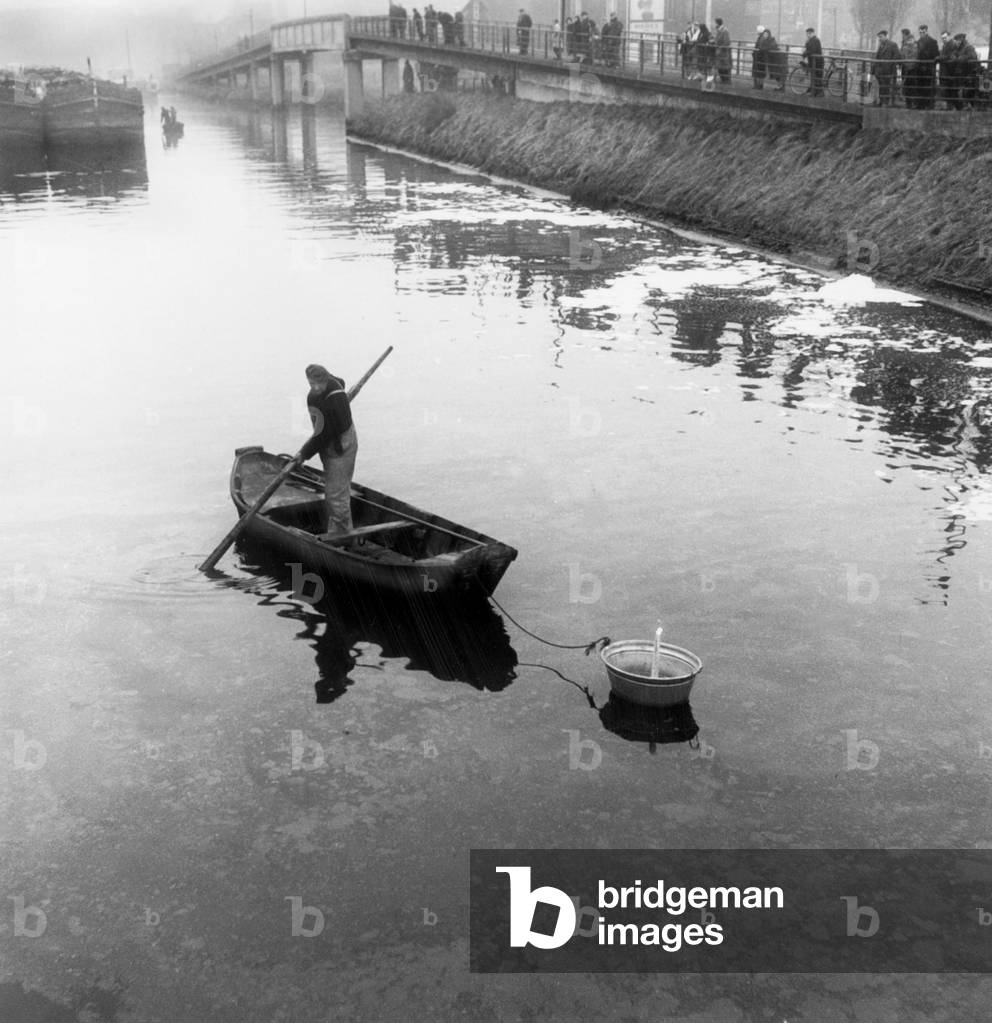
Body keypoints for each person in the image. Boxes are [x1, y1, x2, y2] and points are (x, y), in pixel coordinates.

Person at [300, 364, 358, 537]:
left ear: (326, 379)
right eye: (312, 384)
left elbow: (325, 433)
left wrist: (304, 453)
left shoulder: (336, 398)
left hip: (342, 445)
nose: (316, 388)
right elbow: (320, 431)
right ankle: (341, 530)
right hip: (327, 442)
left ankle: (343, 538)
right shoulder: (315, 395)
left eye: (320, 383)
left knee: (335, 494)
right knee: (337, 489)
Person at [873, 29, 900, 106]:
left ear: (885, 36)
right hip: (880, 70)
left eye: (881, 37)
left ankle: (886, 102)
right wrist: (875, 68)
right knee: (882, 86)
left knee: (887, 86)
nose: (879, 39)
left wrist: (890, 64)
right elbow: (877, 57)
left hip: (888, 70)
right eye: (879, 37)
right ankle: (881, 101)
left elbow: (897, 56)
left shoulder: (893, 45)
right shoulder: (881, 45)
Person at [899, 29, 917, 107]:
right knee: (907, 85)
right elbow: (902, 55)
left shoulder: (915, 47)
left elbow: (914, 57)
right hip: (906, 68)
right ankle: (908, 102)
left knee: (912, 86)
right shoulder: (904, 46)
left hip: (912, 69)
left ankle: (912, 102)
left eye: (910, 40)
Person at [803, 27, 823, 96]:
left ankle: (816, 92)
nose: (808, 35)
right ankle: (814, 90)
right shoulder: (811, 40)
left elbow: (812, 50)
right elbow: (807, 48)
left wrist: (805, 54)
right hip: (813, 61)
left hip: (817, 61)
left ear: (813, 33)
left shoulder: (815, 40)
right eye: (807, 34)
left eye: (809, 33)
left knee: (816, 76)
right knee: (815, 76)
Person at [714, 18, 732, 84]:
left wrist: (720, 48)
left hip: (723, 53)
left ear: (717, 23)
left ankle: (726, 81)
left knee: (724, 67)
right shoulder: (720, 30)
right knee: (720, 67)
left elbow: (727, 42)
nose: (714, 24)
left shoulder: (724, 31)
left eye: (715, 23)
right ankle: (724, 80)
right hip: (720, 53)